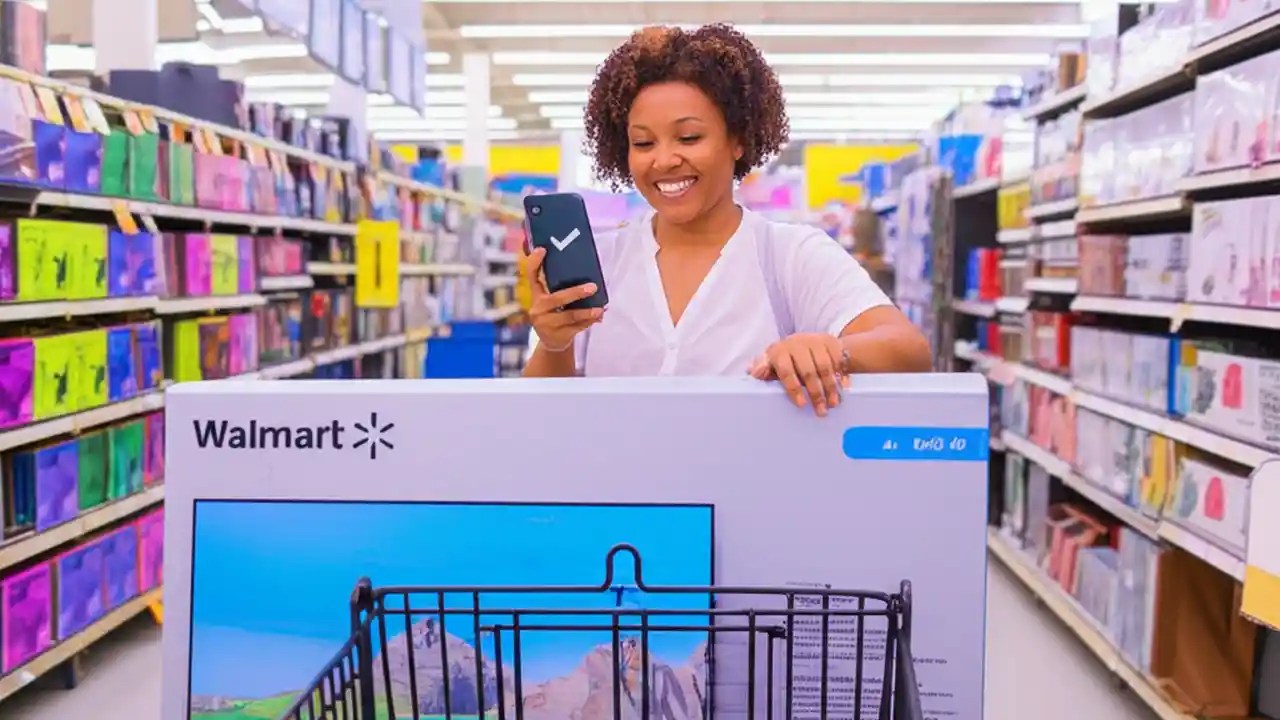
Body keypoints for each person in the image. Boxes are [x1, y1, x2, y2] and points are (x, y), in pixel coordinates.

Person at [521, 23, 931, 416]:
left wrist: (831, 350)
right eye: (643, 143)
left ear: (737, 138)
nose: (664, 160)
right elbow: (539, 418)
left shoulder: (791, 256)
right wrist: (555, 345)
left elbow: (909, 350)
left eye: (689, 137)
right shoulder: (600, 265)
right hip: (615, 487)